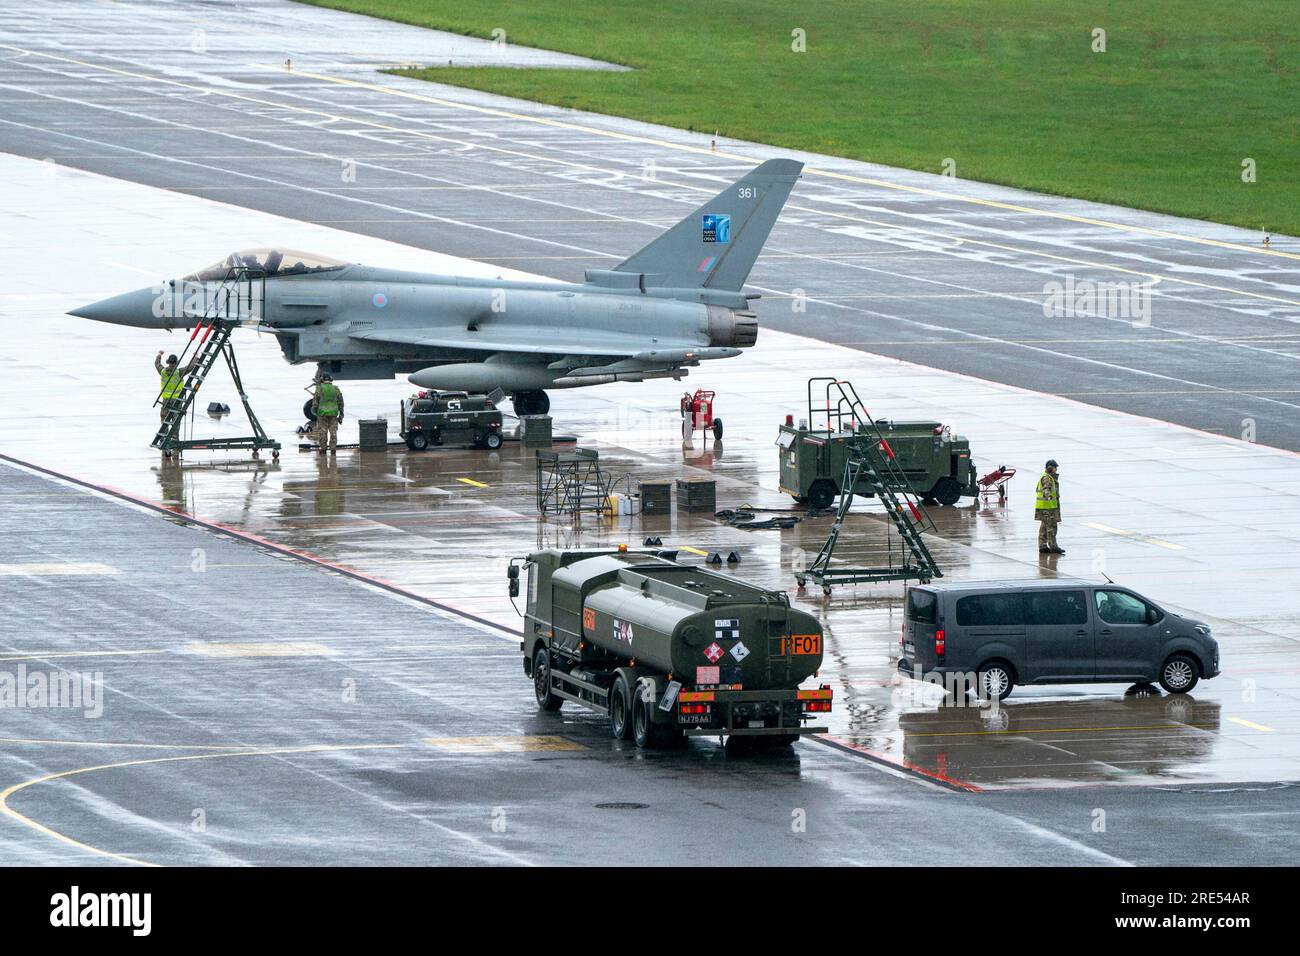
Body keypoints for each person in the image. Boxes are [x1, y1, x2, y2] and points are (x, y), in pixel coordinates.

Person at [154, 351, 197, 422]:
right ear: (176, 363)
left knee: (164, 418)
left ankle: (164, 431)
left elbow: (157, 364)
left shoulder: (162, 372)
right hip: (177, 399)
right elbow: (190, 367)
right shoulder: (179, 372)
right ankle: (174, 433)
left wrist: (159, 355)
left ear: (168, 362)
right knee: (175, 419)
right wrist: (195, 357)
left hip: (166, 399)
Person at [1035, 459, 1064, 554]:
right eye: (1055, 468)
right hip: (1048, 508)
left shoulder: (1046, 476)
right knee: (1051, 527)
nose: (1056, 469)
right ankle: (1053, 547)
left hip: (1044, 507)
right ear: (1051, 468)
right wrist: (1048, 496)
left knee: (1044, 527)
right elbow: (1046, 489)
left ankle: (1042, 546)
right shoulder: (1047, 478)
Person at [312, 373, 344, 454]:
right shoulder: (336, 389)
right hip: (333, 413)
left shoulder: (319, 389)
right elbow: (341, 402)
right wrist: (341, 413)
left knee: (323, 431)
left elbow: (315, 403)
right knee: (333, 431)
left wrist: (315, 411)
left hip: (322, 414)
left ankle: (323, 449)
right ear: (331, 379)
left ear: (322, 379)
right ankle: (333, 449)